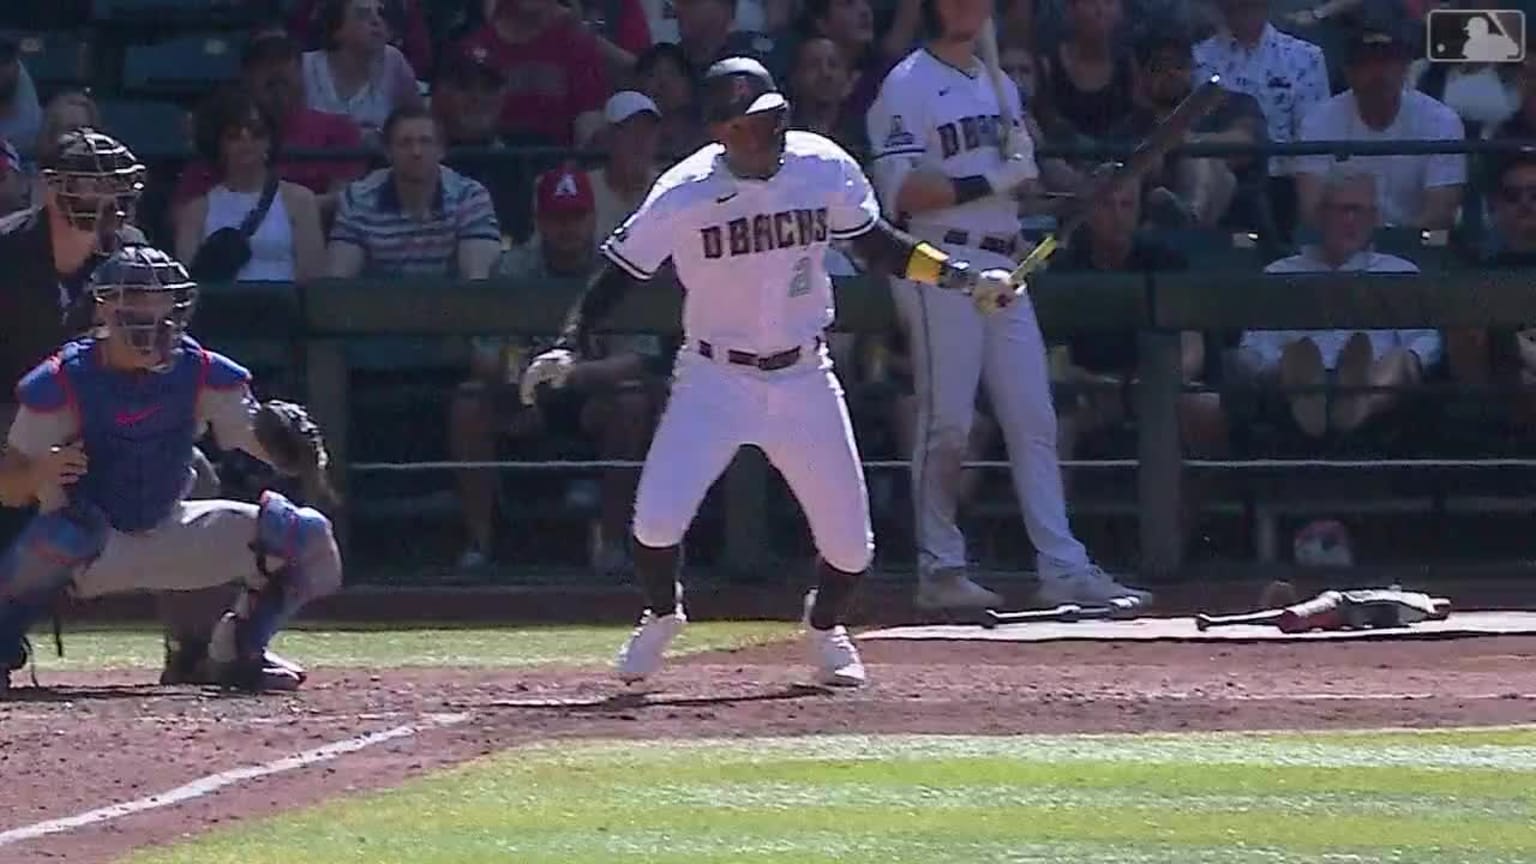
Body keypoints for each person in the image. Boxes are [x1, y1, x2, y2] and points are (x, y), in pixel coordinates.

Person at [521, 57, 1026, 687]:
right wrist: (568, 343)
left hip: (803, 373)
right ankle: (661, 614)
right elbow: (619, 274)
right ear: (721, 131)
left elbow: (875, 245)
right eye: (755, 122)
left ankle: (823, 628)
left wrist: (963, 277)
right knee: (653, 523)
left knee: (851, 548)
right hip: (713, 376)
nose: (773, 131)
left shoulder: (821, 166)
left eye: (775, 116)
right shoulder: (684, 192)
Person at [865, 0, 1152, 613]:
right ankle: (938, 568)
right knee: (948, 423)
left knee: (1034, 416)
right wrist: (996, 181)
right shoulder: (907, 82)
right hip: (936, 261)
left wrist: (1067, 196)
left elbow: (1018, 180)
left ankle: (1062, 566)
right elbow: (903, 193)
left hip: (1002, 260)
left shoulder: (999, 84)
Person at [0, 245, 343, 695]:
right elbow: (8, 487)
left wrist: (293, 446)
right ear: (103, 306)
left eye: (158, 301)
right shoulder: (63, 379)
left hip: (170, 526)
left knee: (306, 536)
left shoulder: (200, 371)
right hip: (92, 547)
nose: (148, 315)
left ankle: (238, 651)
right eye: (134, 301)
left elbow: (259, 444)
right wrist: (42, 470)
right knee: (62, 532)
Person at [174, 87, 326, 283]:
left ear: (270, 141)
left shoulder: (300, 201)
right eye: (233, 135)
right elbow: (187, 285)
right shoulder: (195, 212)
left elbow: (312, 278)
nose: (247, 142)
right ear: (218, 144)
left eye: (257, 133)